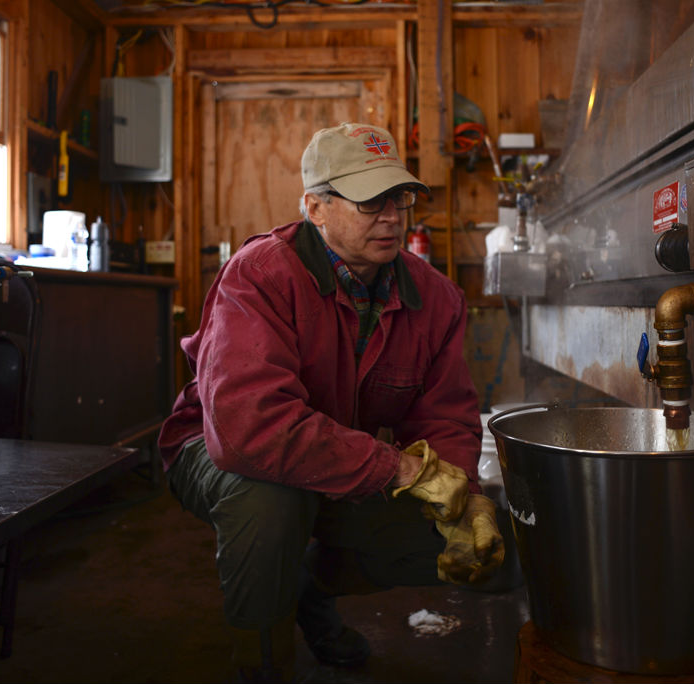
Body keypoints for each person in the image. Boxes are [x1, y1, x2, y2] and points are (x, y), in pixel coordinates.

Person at [157, 122, 505, 682]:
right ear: (315, 208)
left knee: (463, 536)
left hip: (334, 450)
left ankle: (309, 594)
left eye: (400, 197)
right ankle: (262, 663)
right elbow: (251, 430)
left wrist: (466, 495)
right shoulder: (260, 275)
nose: (391, 216)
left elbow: (445, 416)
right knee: (270, 500)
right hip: (217, 448)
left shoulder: (435, 298)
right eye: (370, 201)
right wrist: (399, 468)